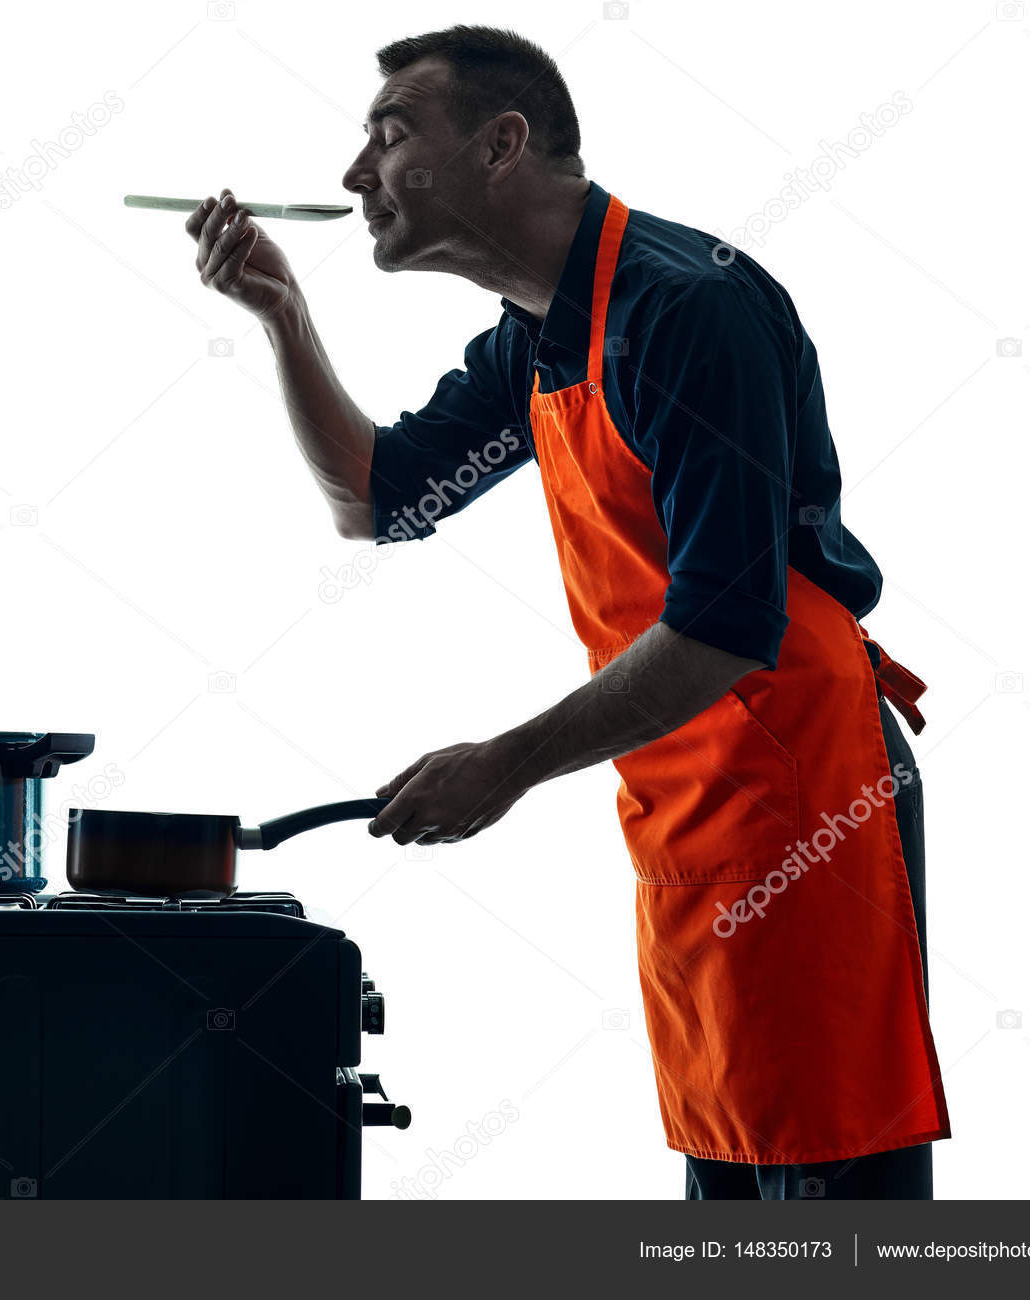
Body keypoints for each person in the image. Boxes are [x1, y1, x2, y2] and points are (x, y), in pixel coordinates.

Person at [180, 24, 948, 1199]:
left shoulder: (687, 313)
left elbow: (728, 620)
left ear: (502, 143)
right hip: (684, 797)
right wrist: (281, 315)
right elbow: (375, 499)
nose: (352, 175)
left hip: (805, 788)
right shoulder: (536, 338)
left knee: (828, 1193)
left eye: (388, 132)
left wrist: (506, 763)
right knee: (735, 1179)